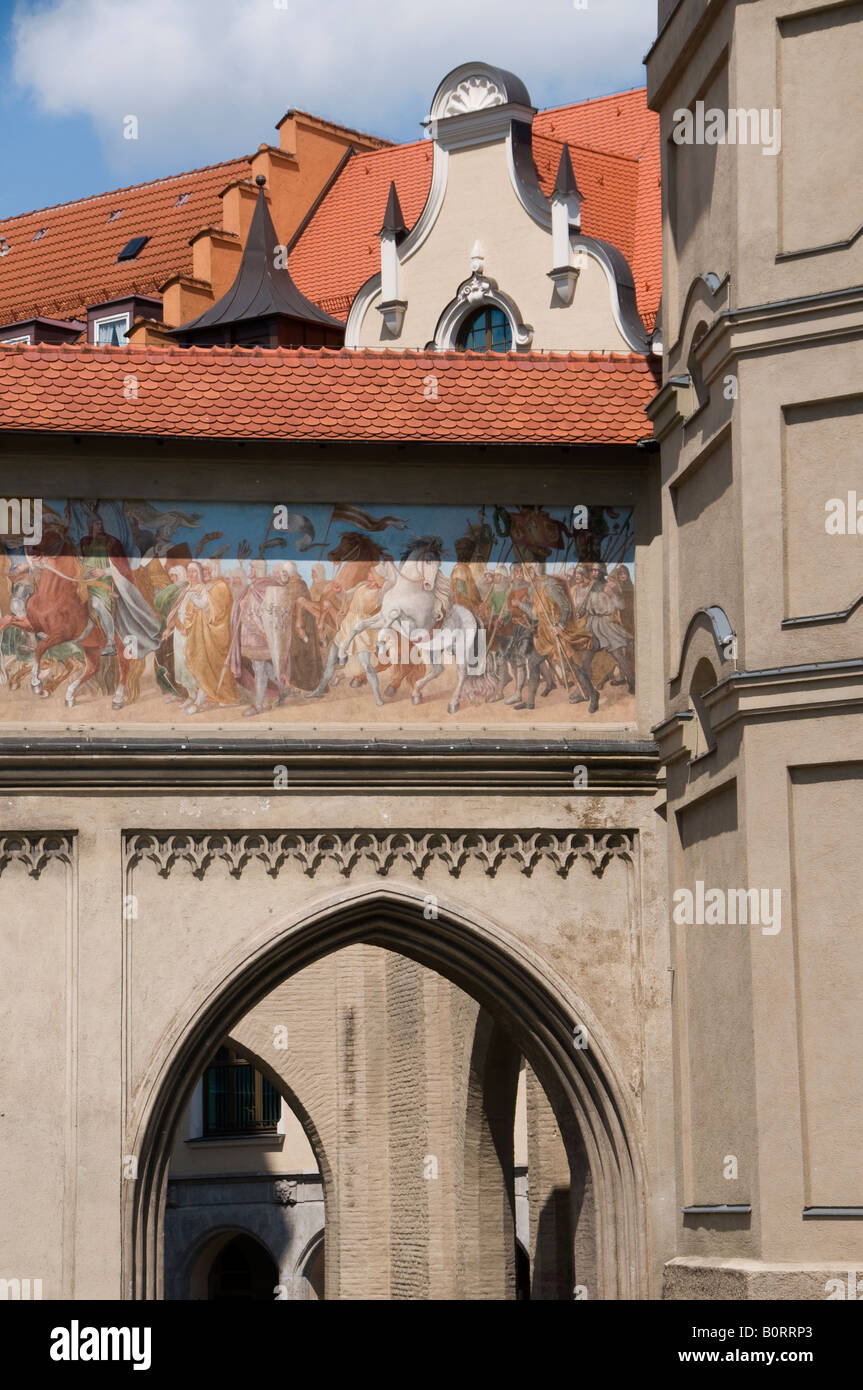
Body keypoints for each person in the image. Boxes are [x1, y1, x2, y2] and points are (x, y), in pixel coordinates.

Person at [174, 560, 238, 713]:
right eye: (204, 569)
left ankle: (222, 698)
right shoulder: (207, 586)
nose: (205, 572)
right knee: (203, 666)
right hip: (203, 632)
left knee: (213, 666)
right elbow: (194, 608)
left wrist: (193, 598)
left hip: (216, 634)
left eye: (208, 569)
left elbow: (209, 608)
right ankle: (207, 697)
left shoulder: (220, 586)